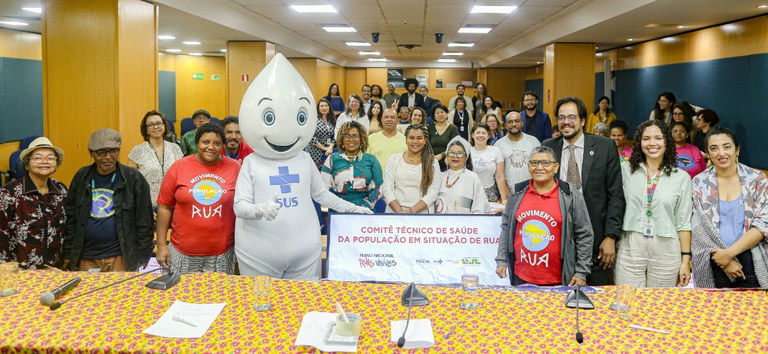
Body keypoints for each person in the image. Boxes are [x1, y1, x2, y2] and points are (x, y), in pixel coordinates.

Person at [234, 54, 372, 280]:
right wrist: (260, 209)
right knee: (261, 310)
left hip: (305, 252)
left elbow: (321, 195)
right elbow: (239, 206)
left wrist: (352, 209)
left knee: (304, 307)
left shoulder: (304, 159)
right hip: (258, 254)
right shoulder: (251, 162)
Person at [542, 96, 625, 286]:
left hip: (597, 240)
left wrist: (611, 237)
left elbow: (616, 196)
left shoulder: (605, 147)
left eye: (572, 117)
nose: (566, 122)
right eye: (561, 118)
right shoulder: (548, 147)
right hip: (556, 239)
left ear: (583, 120)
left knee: (597, 301)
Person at [495, 146, 593, 286]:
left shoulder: (570, 195)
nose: (539, 167)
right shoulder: (517, 193)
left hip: (558, 280)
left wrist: (582, 272)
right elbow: (506, 228)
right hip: (521, 276)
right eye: (534, 163)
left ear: (556, 167)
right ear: (528, 166)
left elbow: (584, 234)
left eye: (546, 163)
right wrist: (502, 259)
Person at [62, 129, 153, 272]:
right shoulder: (81, 177)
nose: (108, 157)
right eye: (101, 153)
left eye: (113, 152)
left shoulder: (133, 178)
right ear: (91, 153)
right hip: (86, 256)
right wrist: (68, 252)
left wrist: (144, 254)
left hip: (121, 256)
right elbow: (71, 218)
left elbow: (144, 220)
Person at [155, 123, 241, 274]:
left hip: (221, 254)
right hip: (182, 251)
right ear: (197, 143)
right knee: (179, 296)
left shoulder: (235, 168)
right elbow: (164, 207)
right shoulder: (179, 166)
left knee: (218, 297)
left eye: (217, 143)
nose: (211, 147)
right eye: (205, 142)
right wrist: (162, 245)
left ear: (223, 146)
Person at [615, 120, 692, 288]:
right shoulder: (625, 170)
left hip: (666, 249)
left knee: (659, 307)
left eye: (658, 138)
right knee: (627, 304)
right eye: (646, 138)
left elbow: (684, 222)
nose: (652, 143)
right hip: (631, 246)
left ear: (667, 142)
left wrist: (685, 260)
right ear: (639, 143)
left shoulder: (681, 177)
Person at [691, 126, 768, 288]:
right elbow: (697, 228)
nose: (721, 153)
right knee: (714, 311)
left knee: (755, 311)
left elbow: (764, 223)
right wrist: (724, 261)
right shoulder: (699, 183)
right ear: (708, 153)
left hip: (752, 257)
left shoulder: (757, 179)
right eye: (714, 148)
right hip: (714, 259)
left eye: (727, 147)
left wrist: (729, 254)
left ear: (737, 150)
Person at [0, 137, 67, 269]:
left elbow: (67, 229)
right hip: (19, 272)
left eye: (50, 158)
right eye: (38, 158)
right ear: (27, 163)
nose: (44, 162)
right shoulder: (9, 193)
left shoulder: (61, 190)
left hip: (54, 270)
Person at [127, 110, 183, 210]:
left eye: (158, 123)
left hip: (174, 206)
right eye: (151, 124)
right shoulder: (138, 150)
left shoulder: (175, 148)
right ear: (146, 130)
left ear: (164, 126)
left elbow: (183, 177)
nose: (156, 127)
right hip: (146, 207)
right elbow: (130, 182)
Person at [321, 121, 383, 211]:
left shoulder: (371, 160)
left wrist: (364, 206)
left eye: (355, 136)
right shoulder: (332, 159)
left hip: (364, 210)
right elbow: (324, 187)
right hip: (338, 210)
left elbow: (379, 187)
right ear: (341, 140)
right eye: (347, 136)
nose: (351, 139)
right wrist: (340, 206)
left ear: (361, 139)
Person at [382, 125, 440, 214]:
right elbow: (387, 188)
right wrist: (400, 213)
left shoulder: (432, 162)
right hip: (395, 212)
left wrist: (411, 212)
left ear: (425, 140)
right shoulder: (394, 159)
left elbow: (433, 191)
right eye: (411, 138)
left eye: (419, 138)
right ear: (406, 139)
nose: (415, 141)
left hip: (422, 214)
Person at [435, 137, 489, 214]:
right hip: (441, 224)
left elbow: (479, 206)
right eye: (451, 152)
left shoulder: (472, 177)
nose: (455, 156)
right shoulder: (440, 176)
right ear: (447, 155)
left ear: (465, 157)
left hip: (465, 224)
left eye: (460, 153)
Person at [494, 111, 540, 191]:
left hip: (532, 190)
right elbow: (497, 173)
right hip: (509, 192)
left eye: (517, 121)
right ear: (505, 125)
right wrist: (504, 190)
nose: (514, 124)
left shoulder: (534, 142)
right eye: (510, 122)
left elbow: (540, 167)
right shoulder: (498, 145)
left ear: (522, 123)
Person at [470, 123, 509, 205]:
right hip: (471, 192)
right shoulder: (467, 151)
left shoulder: (496, 151)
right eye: (478, 133)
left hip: (491, 192)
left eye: (484, 133)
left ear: (488, 136)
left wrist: (504, 199)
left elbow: (500, 177)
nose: (481, 135)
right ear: (472, 135)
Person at [306, 98, 337, 169]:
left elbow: (335, 135)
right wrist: (324, 148)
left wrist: (329, 147)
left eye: (326, 106)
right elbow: (311, 137)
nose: (324, 108)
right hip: (315, 151)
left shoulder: (332, 120)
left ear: (329, 108)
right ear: (318, 108)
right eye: (322, 106)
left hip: (328, 151)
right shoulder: (314, 119)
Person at [428, 104, 459, 172]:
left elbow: (455, 146)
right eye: (437, 113)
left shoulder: (453, 128)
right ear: (434, 116)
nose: (440, 114)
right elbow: (427, 145)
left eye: (442, 112)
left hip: (449, 160)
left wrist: (442, 155)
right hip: (431, 161)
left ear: (447, 114)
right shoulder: (430, 128)